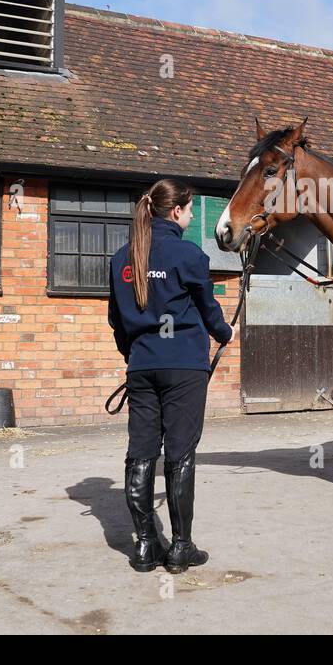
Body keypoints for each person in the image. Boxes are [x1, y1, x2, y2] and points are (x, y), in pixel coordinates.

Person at [108, 178, 234, 573]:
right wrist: (225, 333)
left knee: (141, 452)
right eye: (191, 209)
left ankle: (145, 546)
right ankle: (180, 547)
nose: (193, 215)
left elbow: (117, 321)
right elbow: (208, 308)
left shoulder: (121, 258)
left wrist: (138, 353)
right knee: (180, 453)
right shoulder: (188, 255)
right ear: (176, 211)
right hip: (183, 366)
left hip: (142, 366)